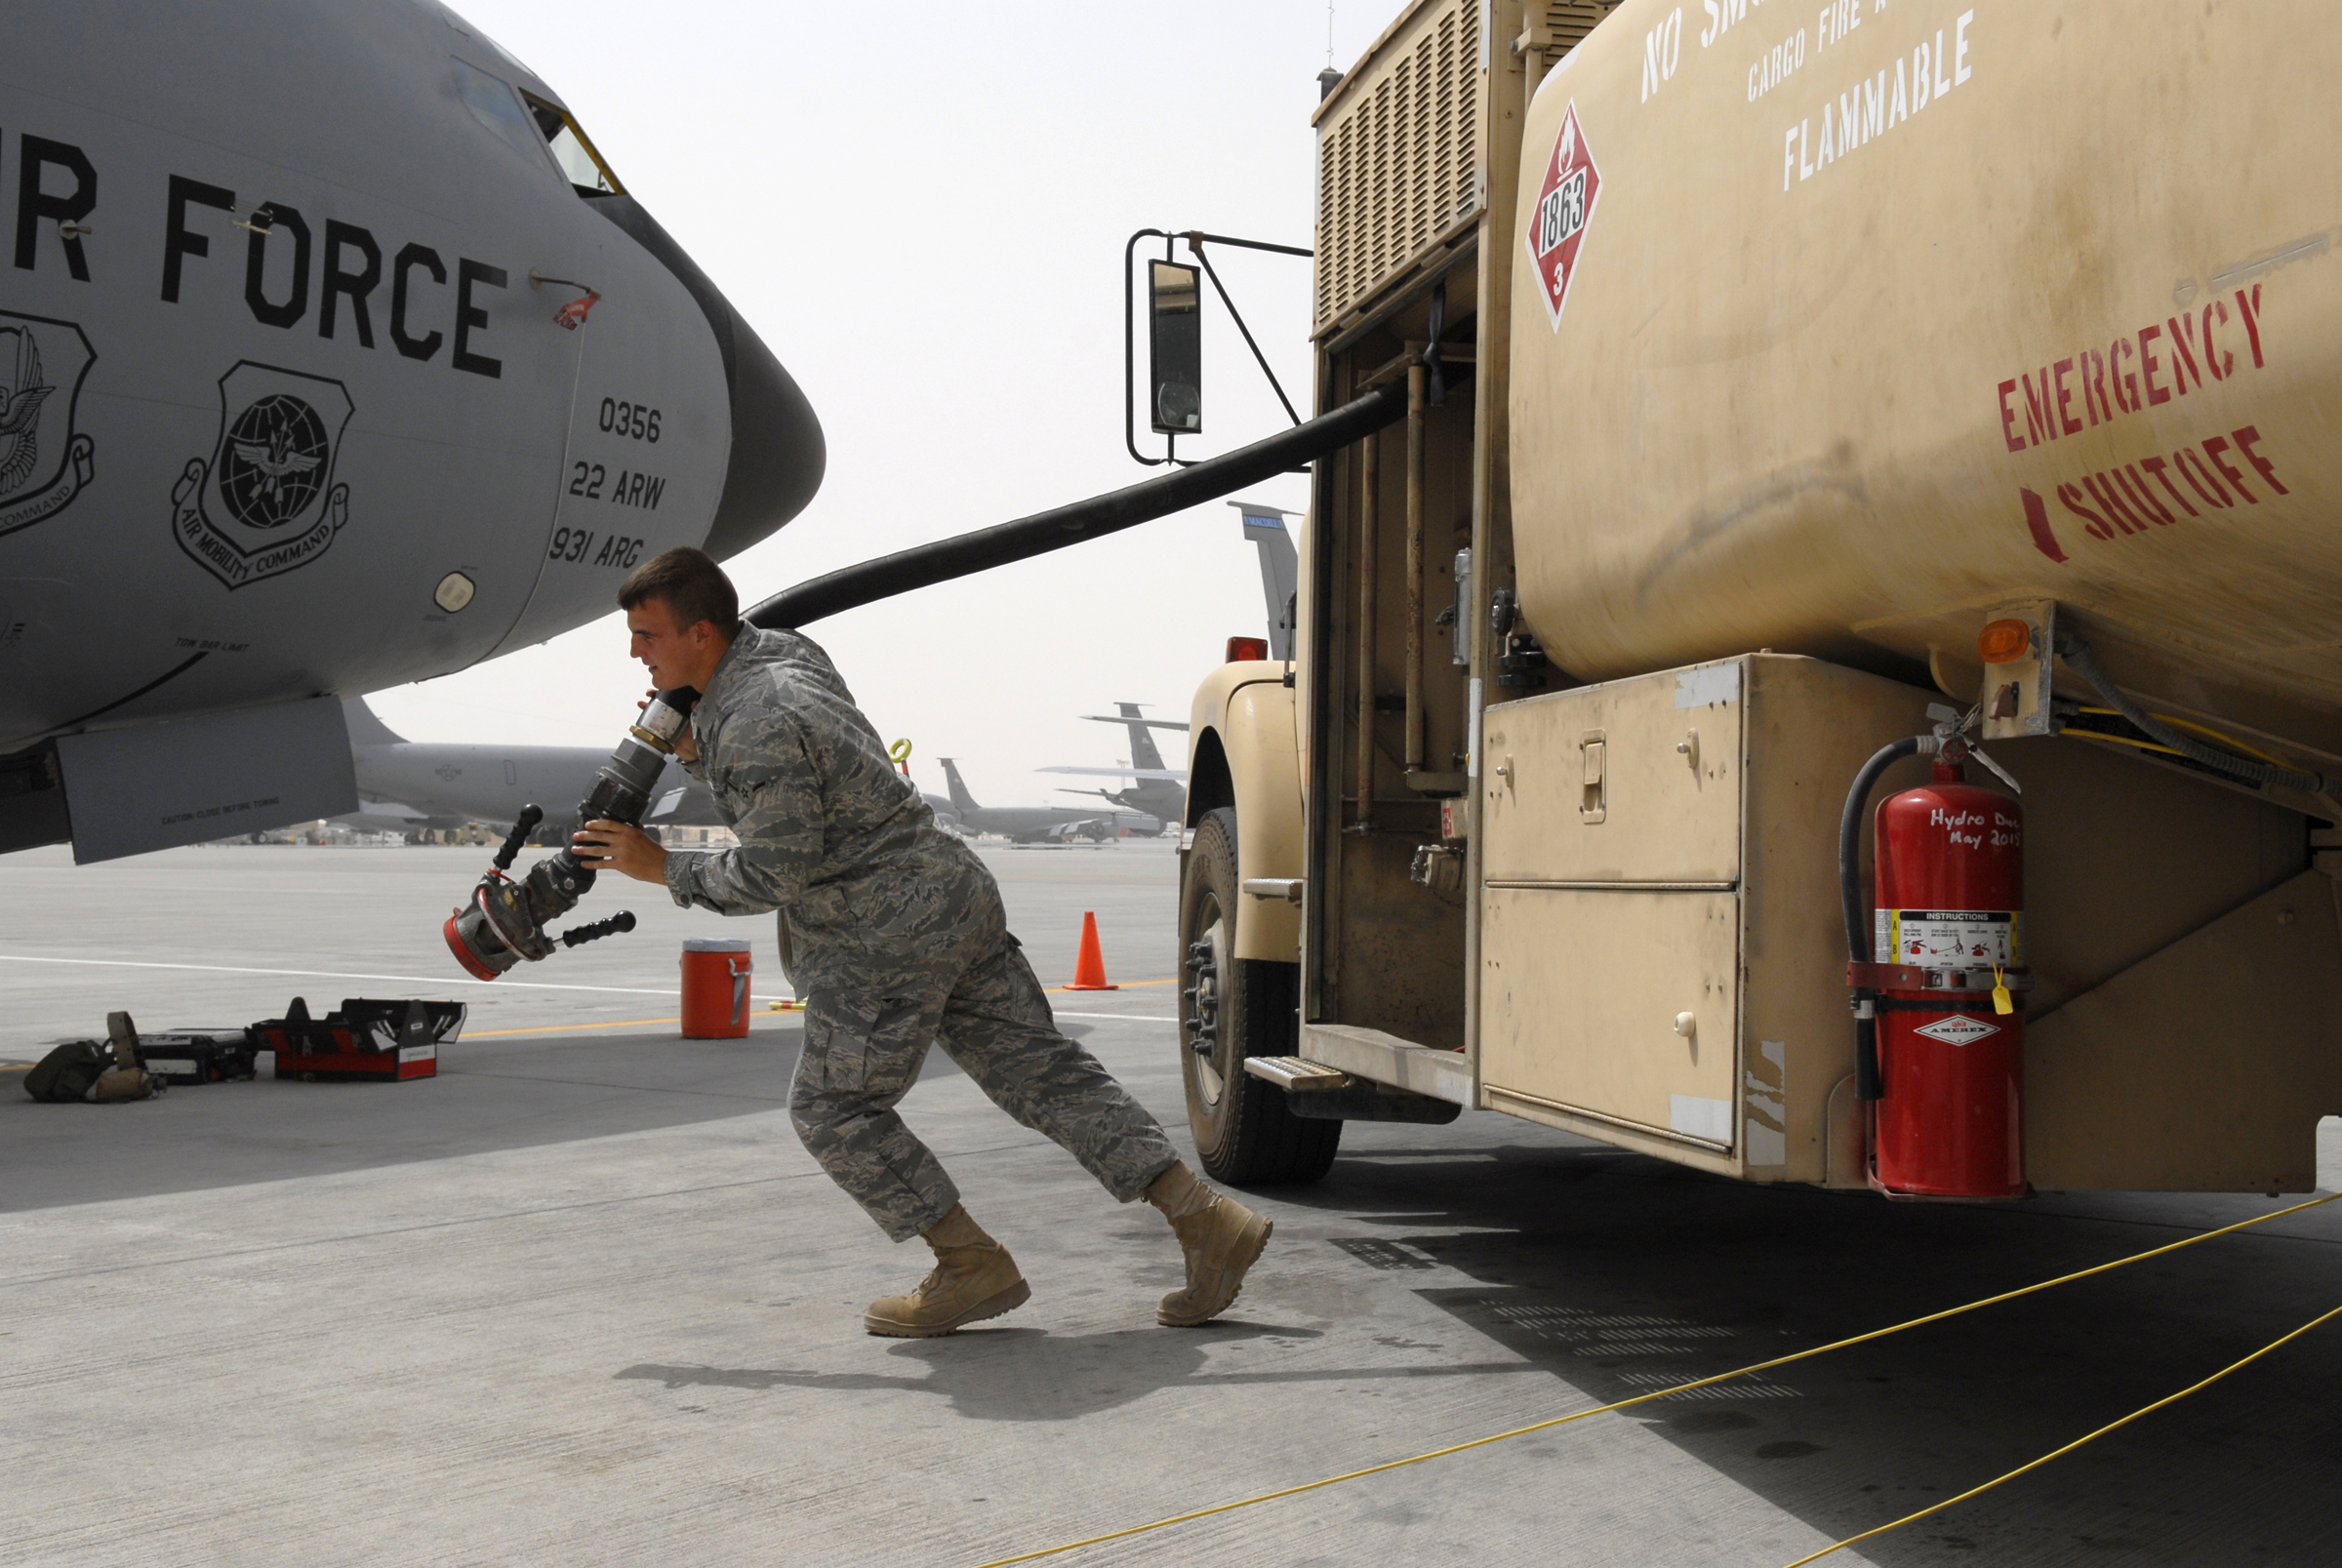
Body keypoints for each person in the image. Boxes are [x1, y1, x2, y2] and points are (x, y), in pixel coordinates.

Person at [572, 547, 1272, 1337]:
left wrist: (660, 866)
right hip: (952, 894)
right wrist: (703, 746)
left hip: (883, 932)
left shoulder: (757, 717)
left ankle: (969, 1263)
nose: (637, 653)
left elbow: (776, 868)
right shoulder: (783, 654)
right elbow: (816, 771)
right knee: (1042, 1071)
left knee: (832, 1108)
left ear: (701, 634)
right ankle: (1205, 1218)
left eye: (647, 636)